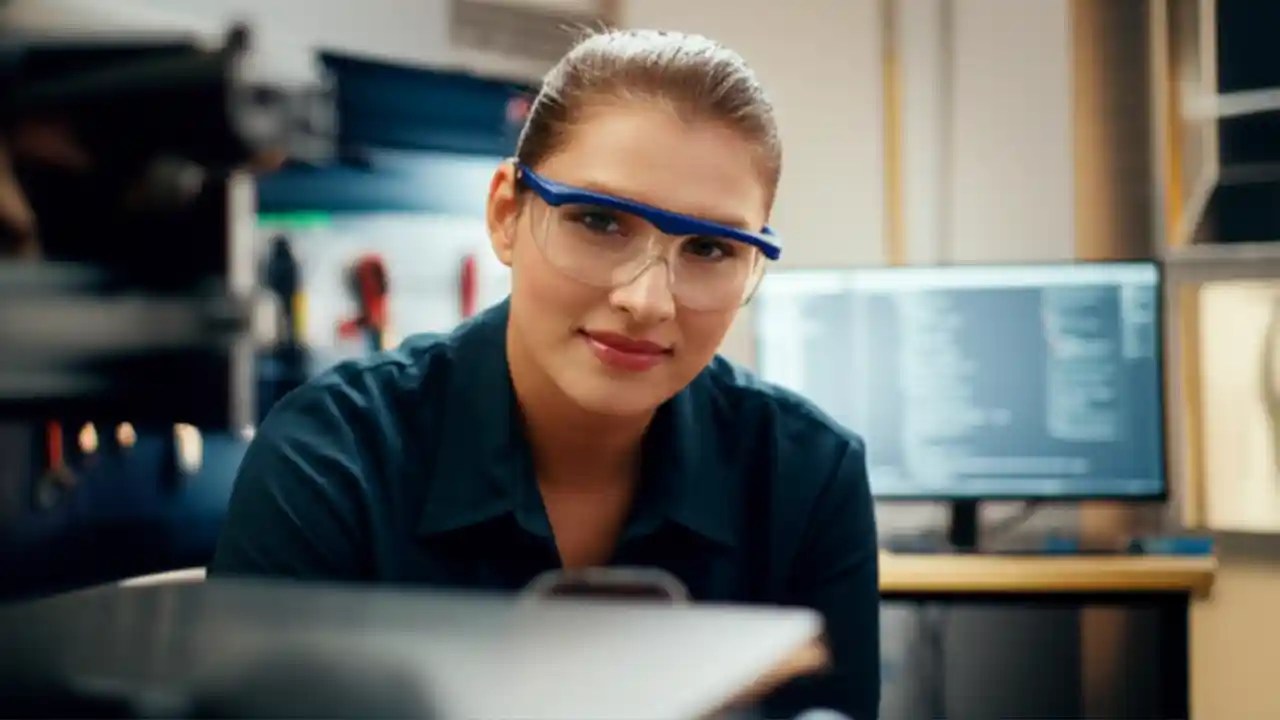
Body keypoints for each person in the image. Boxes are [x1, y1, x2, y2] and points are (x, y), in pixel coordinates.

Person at [211, 28, 880, 719]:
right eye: (598, 221)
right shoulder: (334, 461)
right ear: (506, 214)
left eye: (710, 248)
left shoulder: (806, 476)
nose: (646, 301)